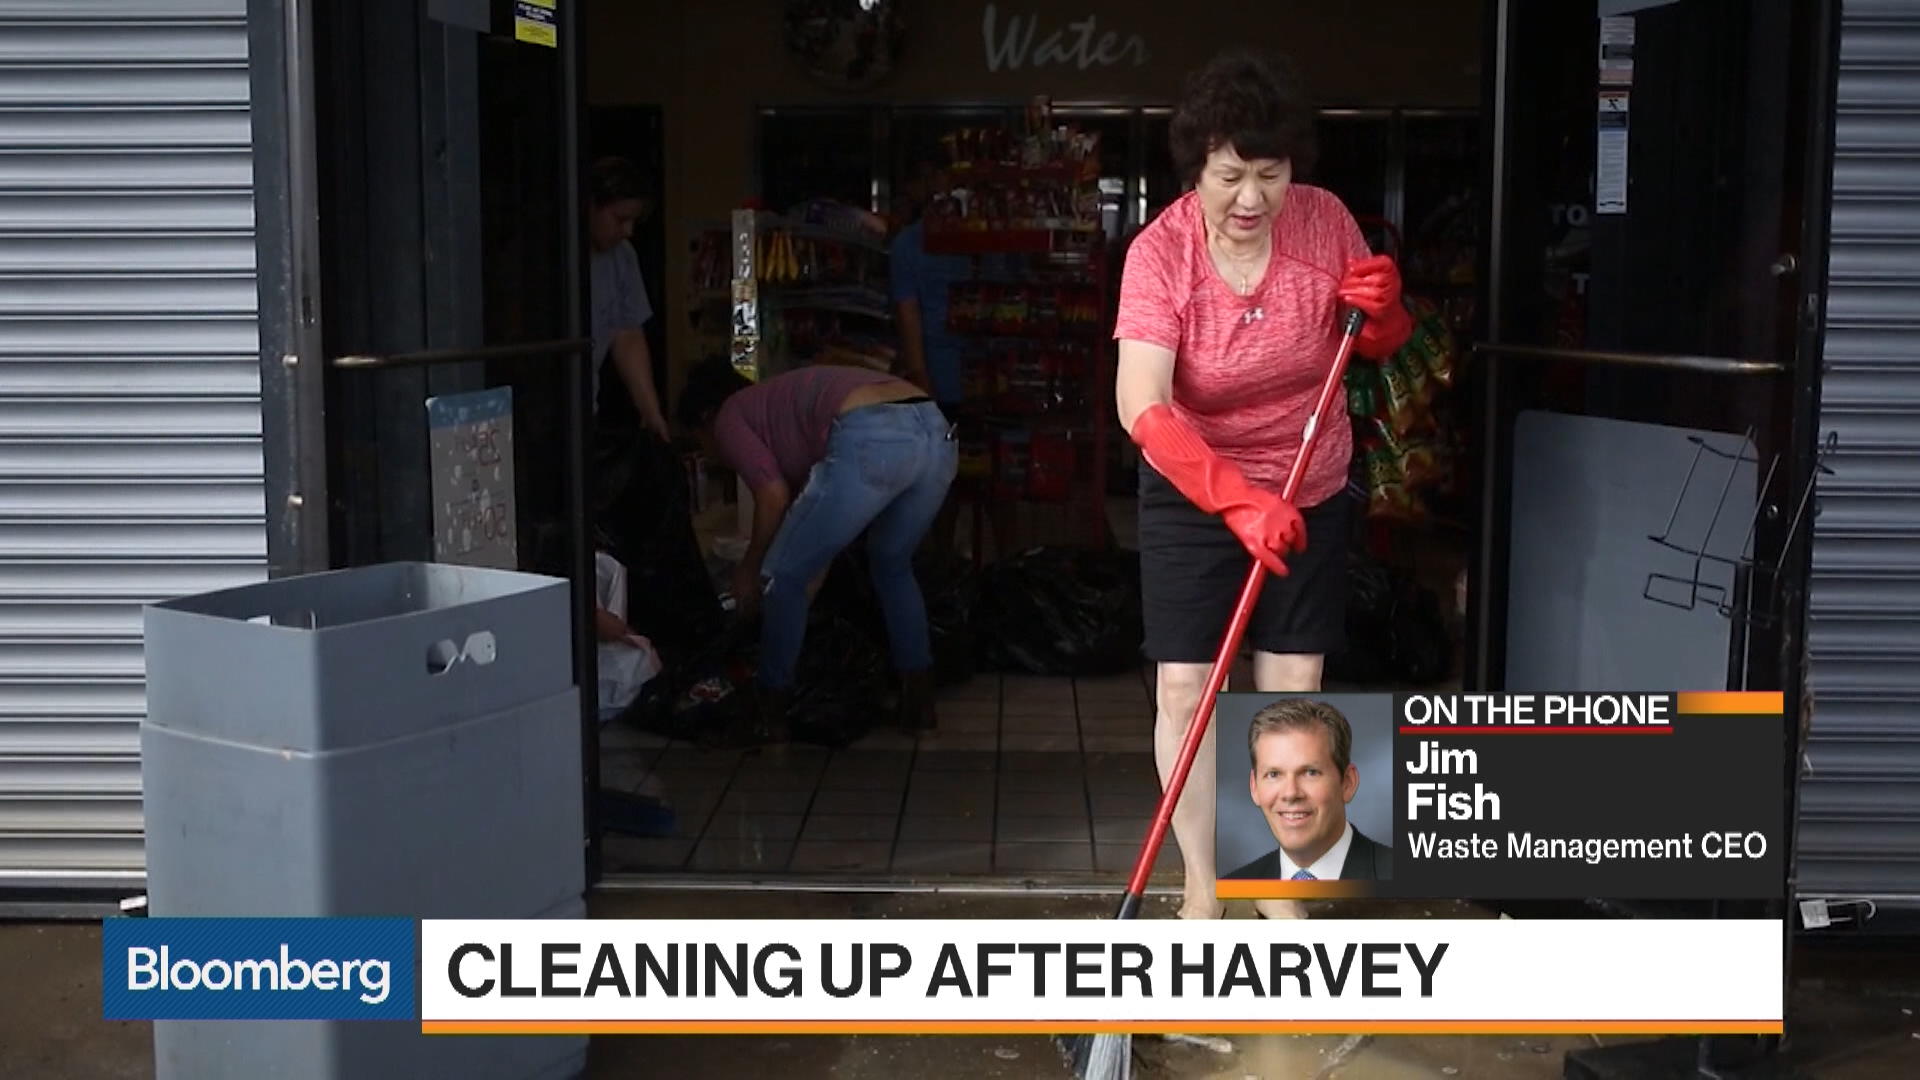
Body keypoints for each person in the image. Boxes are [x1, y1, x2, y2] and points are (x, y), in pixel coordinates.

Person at [1111, 50, 1413, 920]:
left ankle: (1276, 888)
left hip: (1306, 480)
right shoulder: (1160, 253)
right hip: (1194, 484)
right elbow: (1142, 400)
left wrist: (1386, 311)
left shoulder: (1324, 225)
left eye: (1270, 176)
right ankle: (1203, 888)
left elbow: (1377, 341)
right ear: (1194, 170)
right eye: (1229, 176)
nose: (1251, 199)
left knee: (1288, 694)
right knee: (1185, 692)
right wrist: (1232, 497)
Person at [676, 359, 959, 743]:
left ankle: (770, 713)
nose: (710, 453)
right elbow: (817, 528)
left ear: (705, 419)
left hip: (872, 433)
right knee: (891, 564)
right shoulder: (779, 409)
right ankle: (919, 704)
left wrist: (750, 568)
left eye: (700, 442)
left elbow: (772, 496)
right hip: (937, 435)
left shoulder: (730, 415)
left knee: (783, 577)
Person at [1223, 698, 1392, 881]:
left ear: (1347, 783)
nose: (1291, 793)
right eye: (1274, 774)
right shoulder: (1234, 885)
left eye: (1310, 773)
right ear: (1254, 787)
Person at [588, 156, 671, 442]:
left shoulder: (622, 257)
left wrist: (650, 411)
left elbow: (627, 333)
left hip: (587, 408)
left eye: (633, 221)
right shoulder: (546, 250)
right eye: (620, 219)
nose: (628, 231)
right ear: (590, 206)